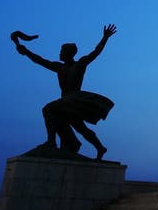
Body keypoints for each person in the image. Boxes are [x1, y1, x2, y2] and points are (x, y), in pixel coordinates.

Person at [13, 24, 117, 160]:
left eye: (62, 51)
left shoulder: (80, 64)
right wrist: (26, 51)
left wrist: (105, 37)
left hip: (74, 99)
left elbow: (96, 52)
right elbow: (39, 61)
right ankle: (100, 147)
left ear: (69, 53)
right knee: (80, 128)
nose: (60, 53)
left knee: (48, 109)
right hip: (66, 101)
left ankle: (51, 141)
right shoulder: (58, 67)